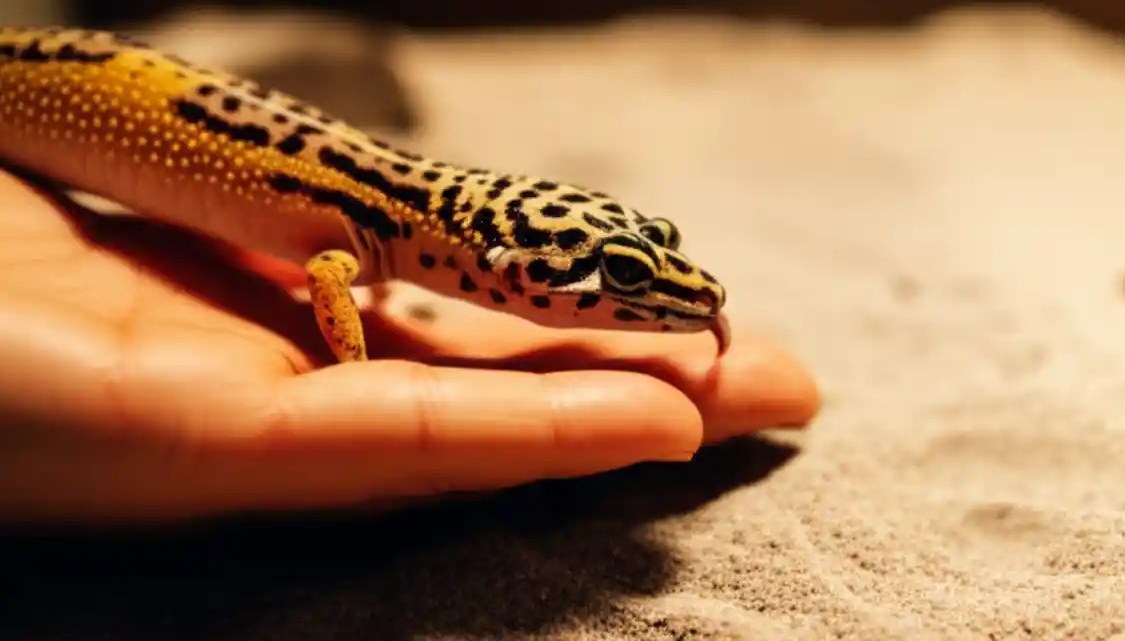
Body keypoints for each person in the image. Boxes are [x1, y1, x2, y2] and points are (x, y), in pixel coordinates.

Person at [0, 170, 820, 523]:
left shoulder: (387, 225)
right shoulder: (368, 230)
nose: (691, 296)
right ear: (505, 265)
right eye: (627, 274)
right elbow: (326, 269)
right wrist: (354, 368)